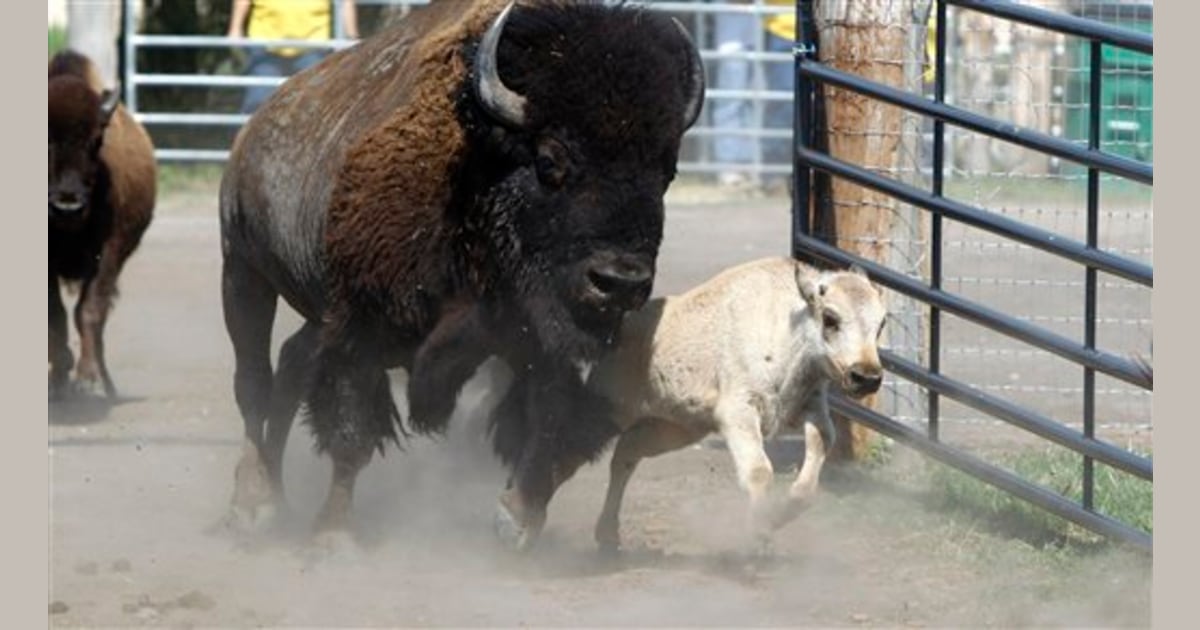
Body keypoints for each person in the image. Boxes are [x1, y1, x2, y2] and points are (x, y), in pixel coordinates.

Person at [227, 0, 359, 114]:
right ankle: (253, 142)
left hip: (312, 46)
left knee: (314, 104)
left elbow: (345, 2)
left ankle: (310, 142)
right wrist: (235, 28)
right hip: (266, 46)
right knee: (257, 103)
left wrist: (350, 36)